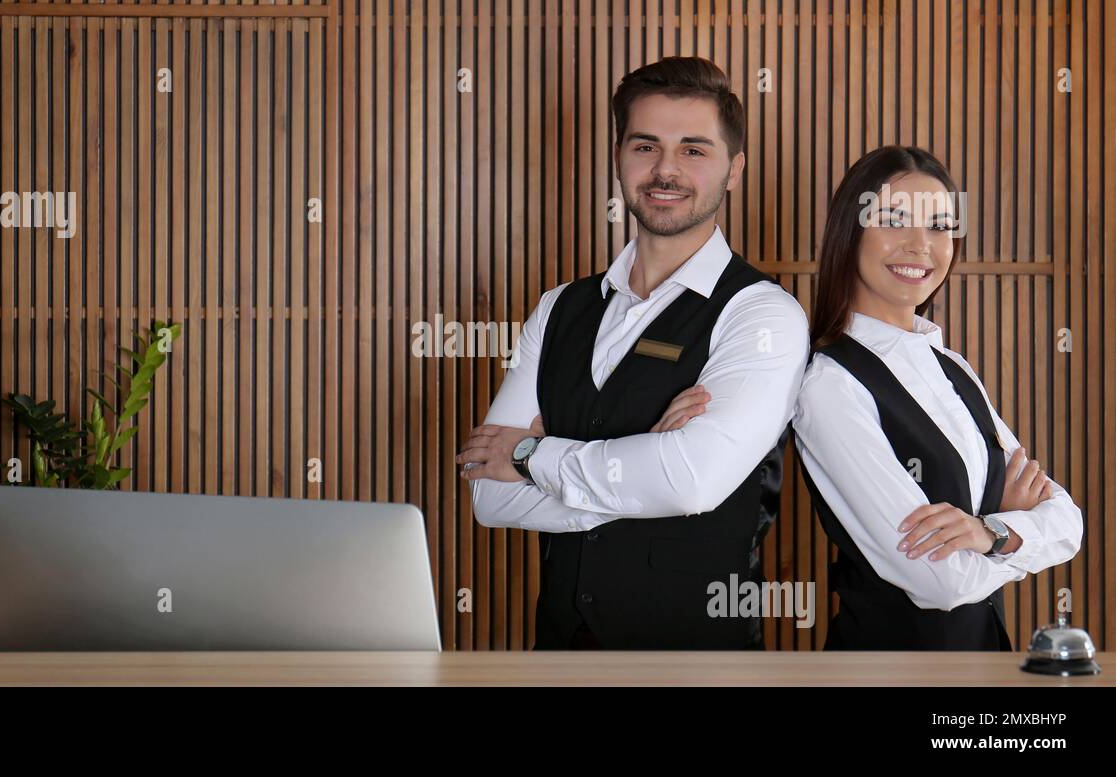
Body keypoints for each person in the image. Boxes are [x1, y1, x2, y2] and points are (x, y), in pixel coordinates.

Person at [457, 57, 809, 649]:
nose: (665, 170)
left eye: (694, 150)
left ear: (735, 169)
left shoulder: (762, 314)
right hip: (560, 658)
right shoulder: (559, 308)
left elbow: (693, 483)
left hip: (699, 665)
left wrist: (529, 454)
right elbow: (489, 496)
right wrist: (646, 464)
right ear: (619, 156)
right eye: (645, 146)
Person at [792, 145, 1084, 650]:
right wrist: (1014, 530)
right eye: (893, 220)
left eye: (939, 226)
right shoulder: (829, 384)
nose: (920, 246)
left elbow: (1068, 523)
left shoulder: (951, 366)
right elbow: (941, 583)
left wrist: (987, 532)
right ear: (850, 229)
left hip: (983, 663)